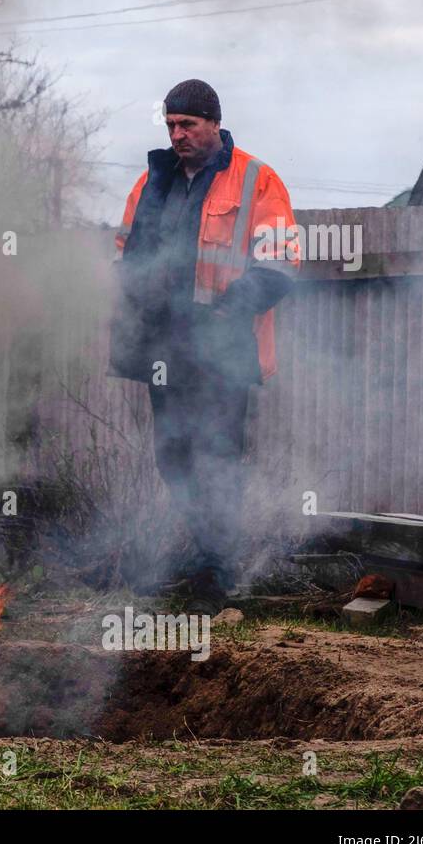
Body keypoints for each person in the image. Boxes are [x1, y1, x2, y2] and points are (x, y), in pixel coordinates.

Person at [109, 79, 301, 612]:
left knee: (217, 457)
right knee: (173, 457)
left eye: (187, 125)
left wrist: (227, 312)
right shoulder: (152, 181)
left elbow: (281, 262)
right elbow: (126, 253)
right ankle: (203, 555)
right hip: (164, 348)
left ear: (214, 123)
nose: (177, 135)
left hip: (221, 347)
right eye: (170, 125)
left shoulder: (258, 180)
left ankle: (219, 574)